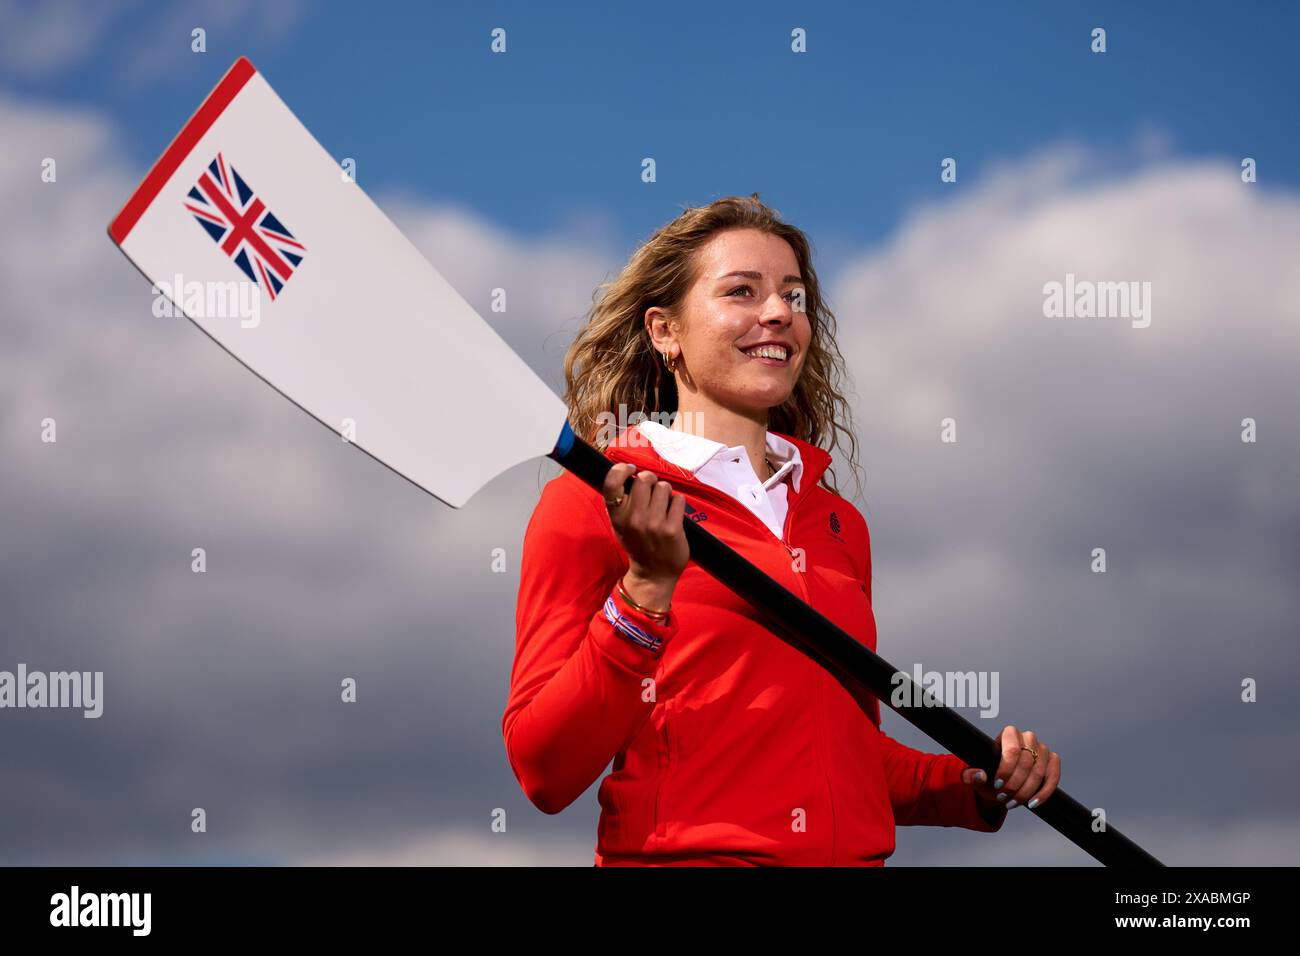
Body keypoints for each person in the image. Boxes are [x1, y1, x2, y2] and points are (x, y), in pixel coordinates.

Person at [502, 194, 1061, 865]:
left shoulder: (838, 524)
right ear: (664, 330)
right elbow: (544, 768)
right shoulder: (595, 501)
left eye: (793, 297)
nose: (778, 312)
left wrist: (969, 782)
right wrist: (643, 593)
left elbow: (840, 749)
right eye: (742, 290)